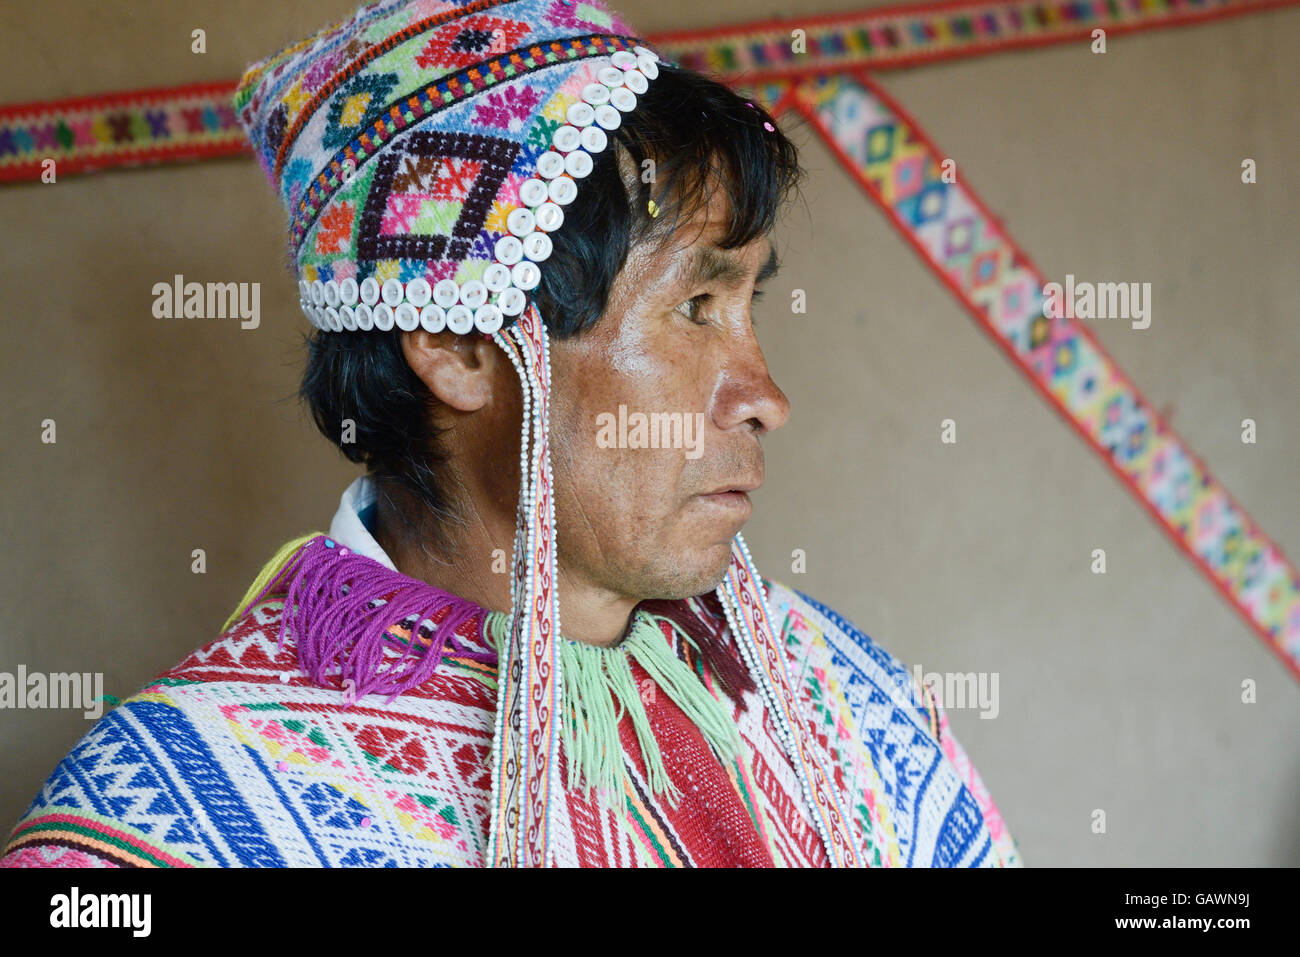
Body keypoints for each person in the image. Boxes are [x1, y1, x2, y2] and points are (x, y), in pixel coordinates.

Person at [1, 0, 1022, 868]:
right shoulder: (176, 817)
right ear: (454, 345)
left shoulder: (835, 698)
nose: (763, 395)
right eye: (698, 308)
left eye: (752, 307)